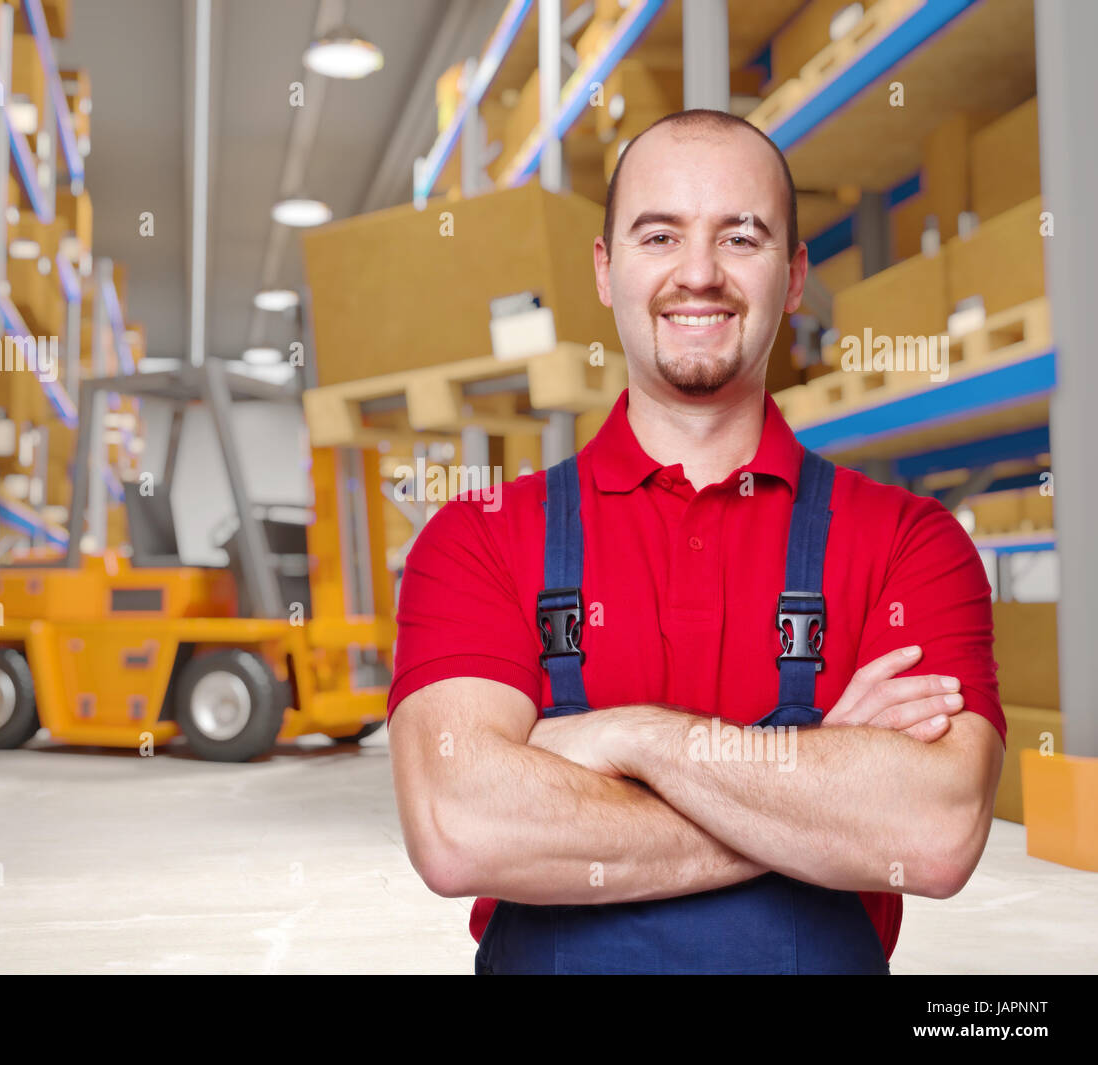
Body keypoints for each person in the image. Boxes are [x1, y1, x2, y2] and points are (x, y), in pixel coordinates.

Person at [386, 109, 1005, 975]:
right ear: (606, 271)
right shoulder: (478, 540)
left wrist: (629, 739)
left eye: (741, 237)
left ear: (792, 277)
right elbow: (459, 827)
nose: (699, 273)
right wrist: (820, 786)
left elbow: (934, 831)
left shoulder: (911, 543)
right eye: (659, 235)